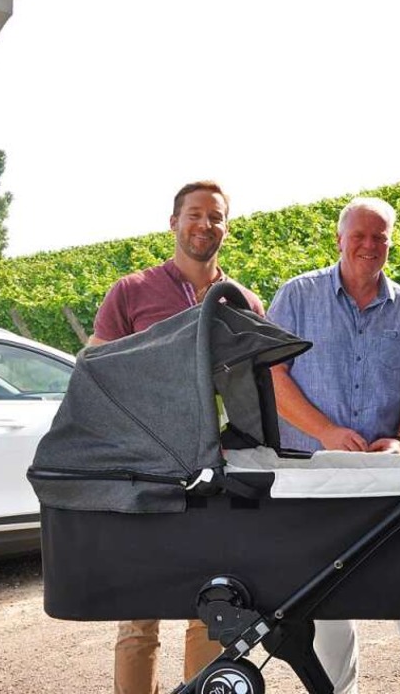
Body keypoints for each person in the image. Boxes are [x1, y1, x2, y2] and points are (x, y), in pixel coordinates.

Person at [89, 180, 265, 694]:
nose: (204, 224)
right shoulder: (132, 291)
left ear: (225, 228)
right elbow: (96, 370)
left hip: (213, 472)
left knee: (211, 607)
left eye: (215, 216)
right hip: (142, 471)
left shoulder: (243, 301)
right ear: (174, 223)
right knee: (138, 615)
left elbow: (256, 393)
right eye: (194, 214)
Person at [266, 196, 400, 694]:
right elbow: (272, 376)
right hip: (313, 469)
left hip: (383, 472)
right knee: (326, 584)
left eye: (379, 237)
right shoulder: (298, 296)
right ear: (339, 240)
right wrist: (325, 430)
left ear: (390, 243)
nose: (370, 245)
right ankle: (337, 690)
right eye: (360, 235)